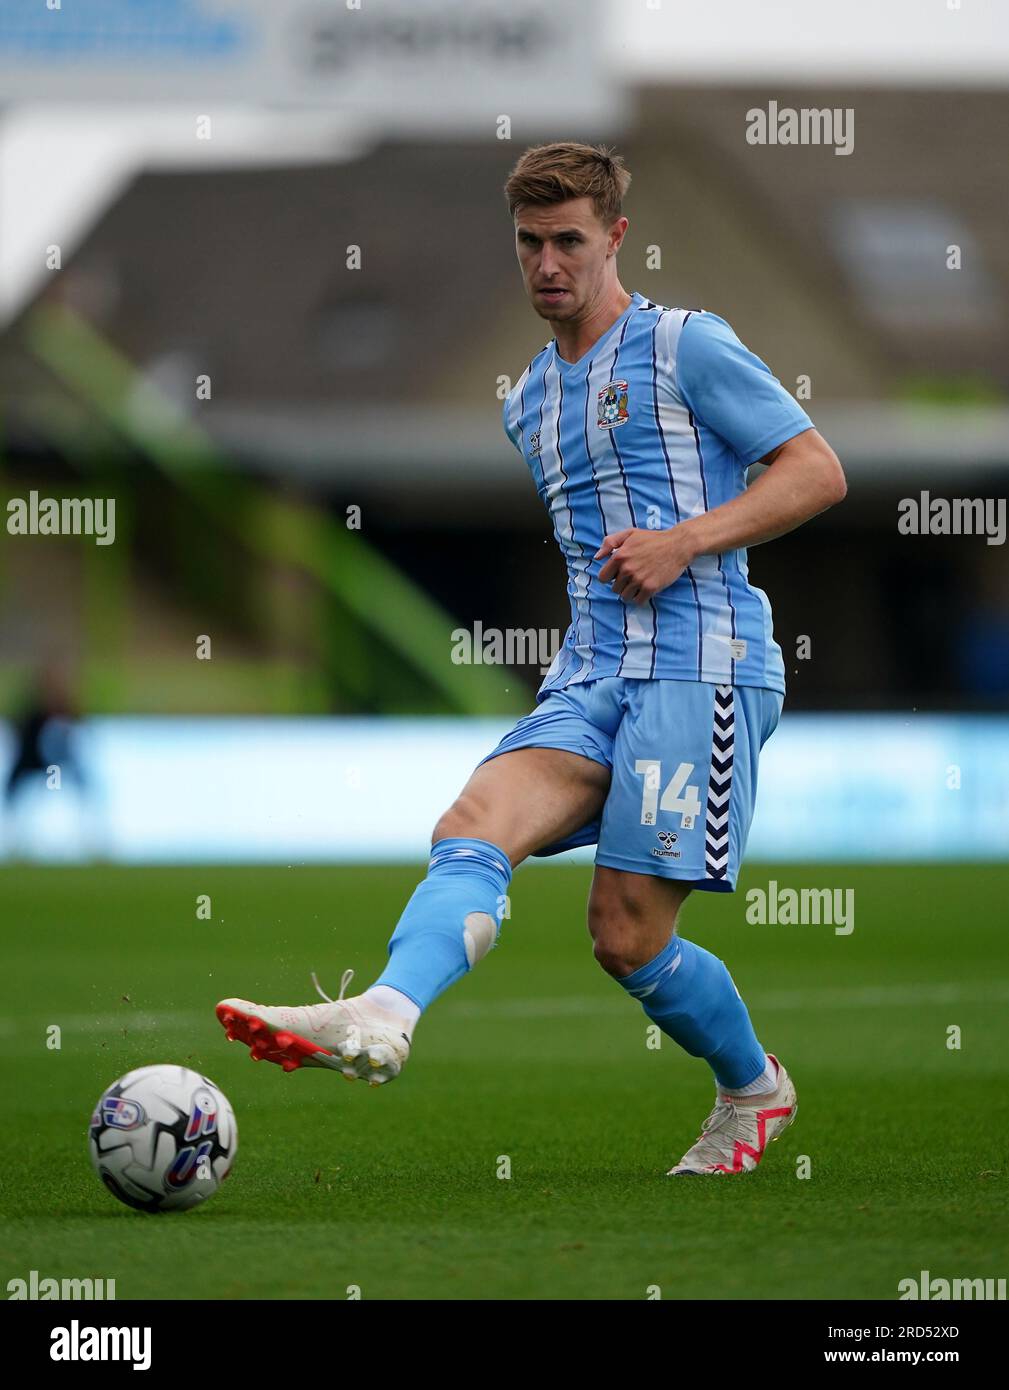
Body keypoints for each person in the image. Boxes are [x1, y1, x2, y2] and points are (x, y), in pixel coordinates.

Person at [216, 142, 847, 1176]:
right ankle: (381, 1011)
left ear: (613, 241)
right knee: (471, 822)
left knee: (624, 937)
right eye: (528, 243)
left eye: (568, 241)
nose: (547, 262)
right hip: (591, 675)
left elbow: (816, 471)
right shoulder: (527, 402)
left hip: (703, 668)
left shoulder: (685, 345)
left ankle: (752, 1090)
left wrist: (685, 540)